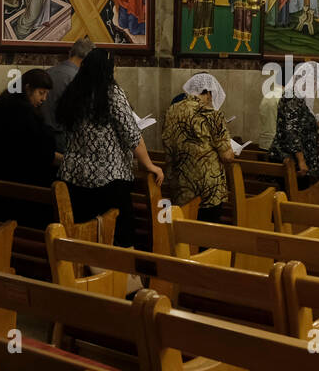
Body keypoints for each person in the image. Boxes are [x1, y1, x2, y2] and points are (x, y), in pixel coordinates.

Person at [55, 49, 162, 247]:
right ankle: (118, 277)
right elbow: (132, 135)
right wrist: (149, 165)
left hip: (74, 176)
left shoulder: (75, 91)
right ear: (108, 68)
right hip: (109, 178)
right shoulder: (111, 92)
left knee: (84, 236)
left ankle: (83, 275)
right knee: (118, 236)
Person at [0, 68, 59, 230]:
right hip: (21, 187)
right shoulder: (24, 113)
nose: (44, 99)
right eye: (41, 93)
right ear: (28, 89)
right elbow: (40, 151)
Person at [163, 73, 234, 224]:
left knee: (184, 229)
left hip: (180, 181)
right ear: (208, 92)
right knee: (206, 231)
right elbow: (227, 156)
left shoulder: (172, 110)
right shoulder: (211, 114)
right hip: (207, 186)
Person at [269, 61, 319, 188]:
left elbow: (301, 122)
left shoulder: (299, 97)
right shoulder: (292, 97)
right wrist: (301, 161)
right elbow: (291, 131)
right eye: (314, 82)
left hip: (298, 158)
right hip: (292, 160)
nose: (316, 86)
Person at [41, 37, 92, 150]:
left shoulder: (47, 73)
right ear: (87, 59)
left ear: (71, 53)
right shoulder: (79, 80)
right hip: (65, 141)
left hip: (41, 138)